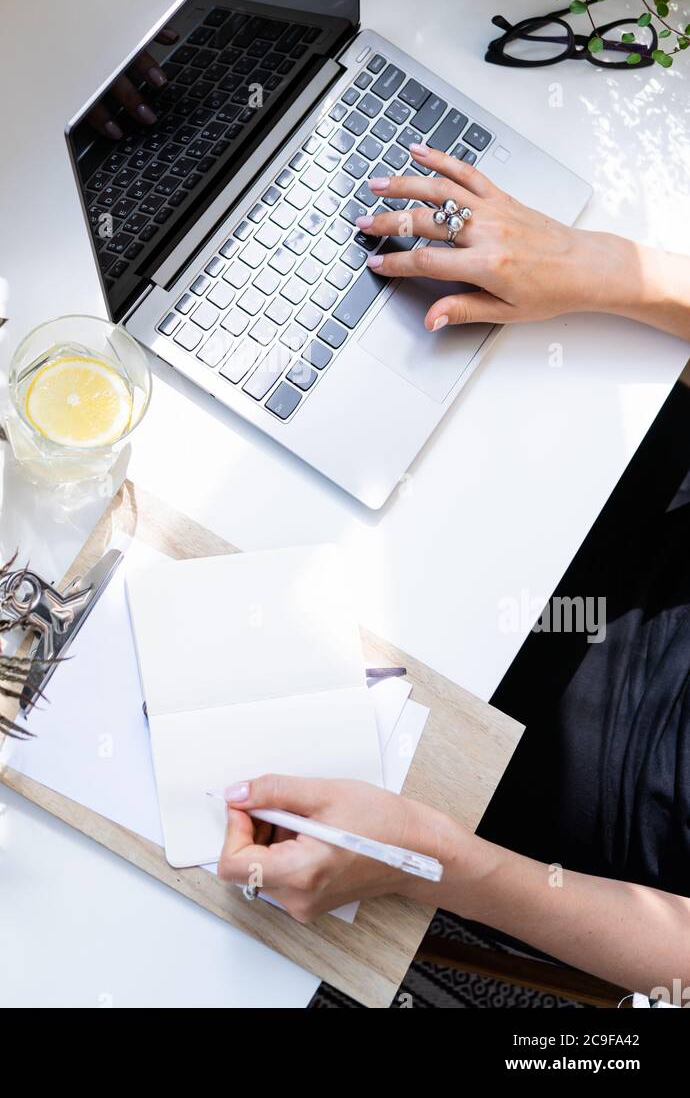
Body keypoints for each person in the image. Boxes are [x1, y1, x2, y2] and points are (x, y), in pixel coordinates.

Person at [218, 146, 690, 996]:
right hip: (655, 489)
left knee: (228, 710)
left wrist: (426, 861)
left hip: (583, 764)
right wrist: (604, 267)